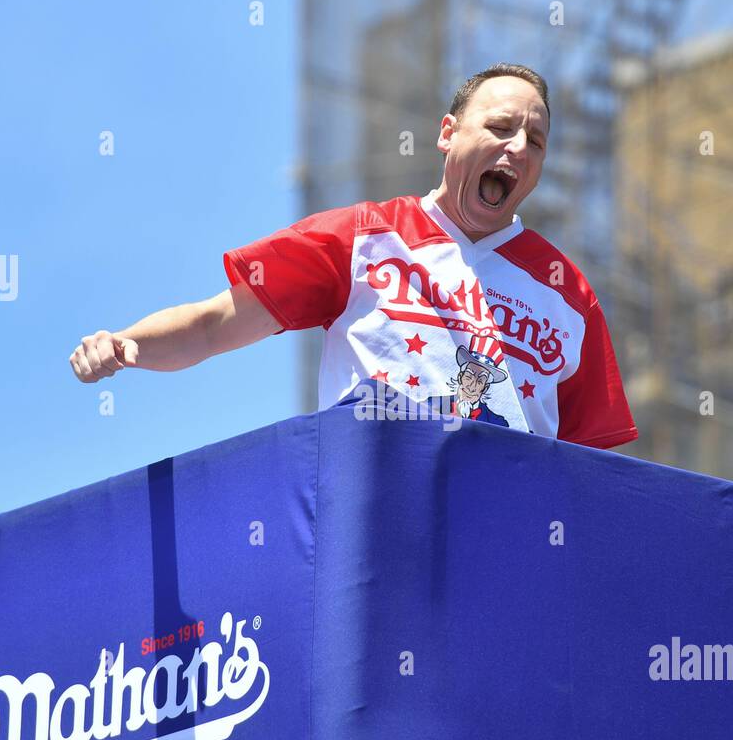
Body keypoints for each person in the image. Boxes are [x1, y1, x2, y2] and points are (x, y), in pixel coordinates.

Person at [69, 62, 638, 450]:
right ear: (447, 133)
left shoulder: (569, 293)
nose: (518, 147)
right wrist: (127, 346)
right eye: (500, 127)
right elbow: (215, 323)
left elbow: (597, 470)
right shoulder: (363, 236)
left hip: (507, 546)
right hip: (377, 518)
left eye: (535, 141)